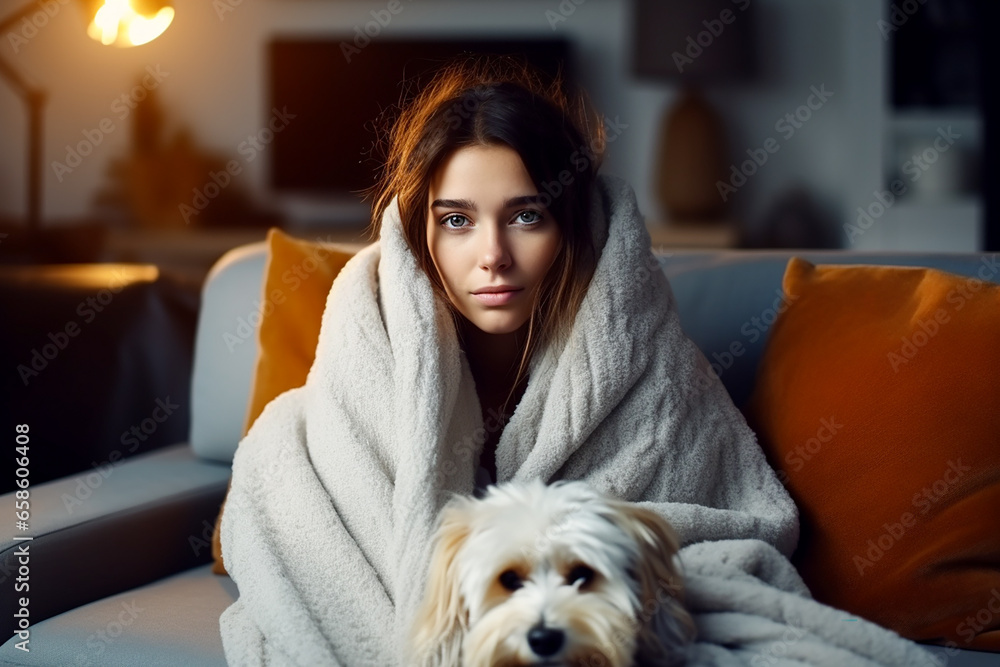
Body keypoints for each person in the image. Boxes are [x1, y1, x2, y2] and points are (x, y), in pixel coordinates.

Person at [362, 56, 605, 493]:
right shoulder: (369, 352)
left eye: (527, 216)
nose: (493, 256)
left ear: (572, 225)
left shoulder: (645, 366)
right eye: (457, 220)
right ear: (419, 235)